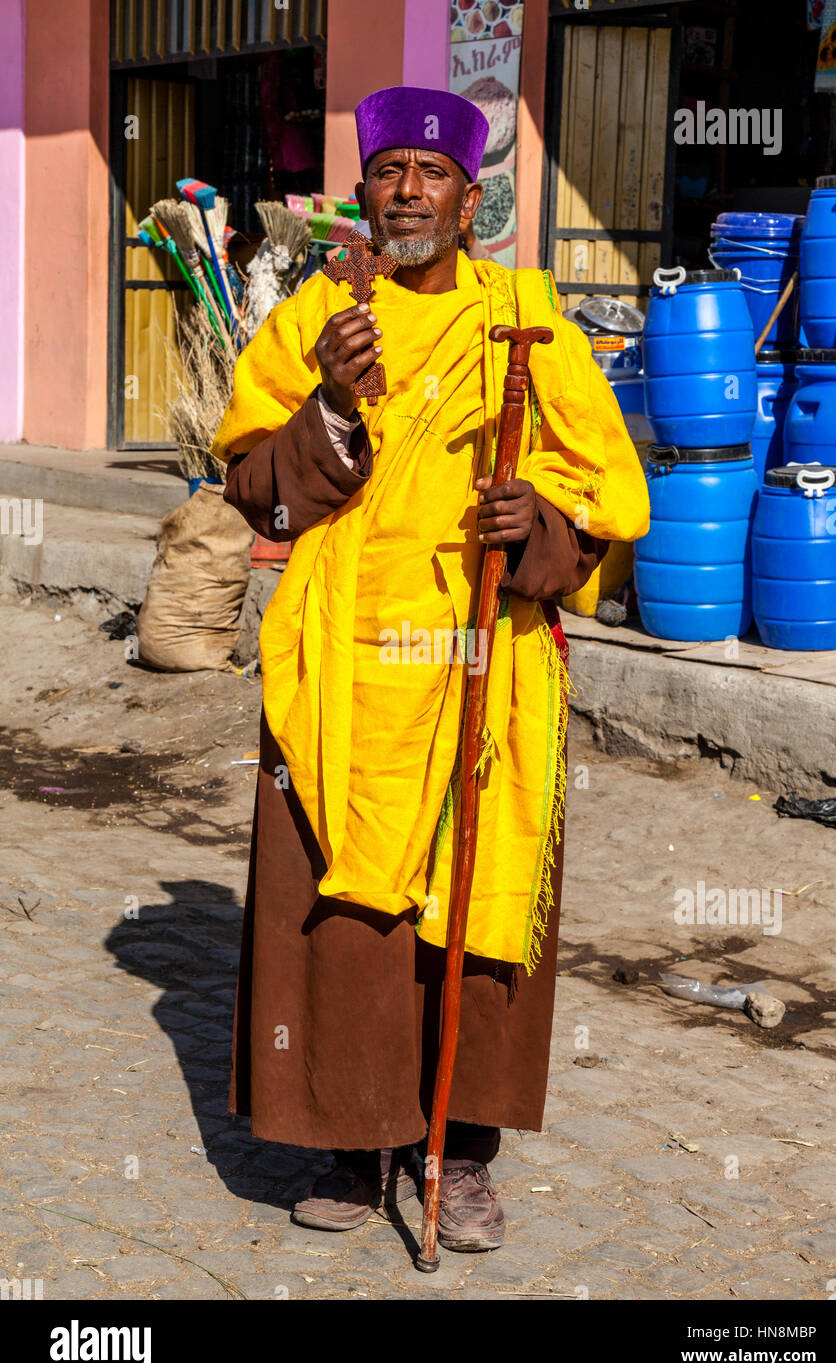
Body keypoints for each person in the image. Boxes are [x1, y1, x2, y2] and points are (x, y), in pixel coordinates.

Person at [211, 85, 649, 1254]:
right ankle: (358, 1145)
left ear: (472, 197)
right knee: (349, 910)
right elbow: (250, 474)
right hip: (345, 663)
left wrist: (535, 524)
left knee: (474, 900)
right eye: (389, 171)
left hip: (481, 663)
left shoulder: (523, 318)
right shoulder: (317, 309)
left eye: (432, 173)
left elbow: (607, 493)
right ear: (364, 191)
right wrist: (333, 410)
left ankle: (461, 1154)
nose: (409, 191)